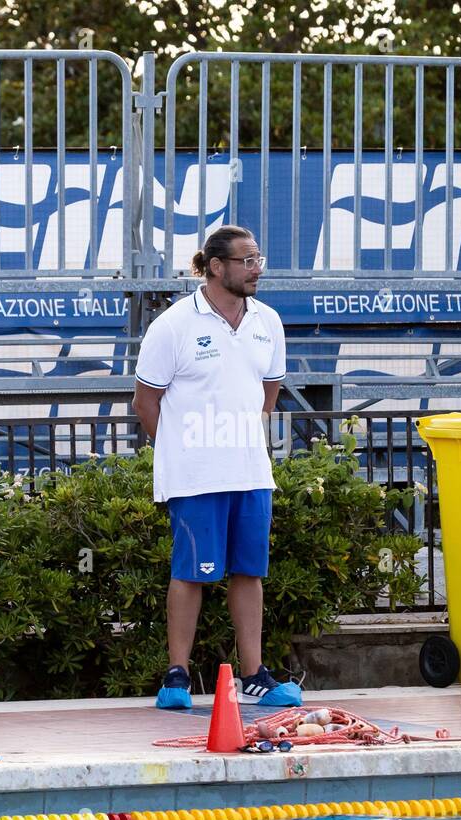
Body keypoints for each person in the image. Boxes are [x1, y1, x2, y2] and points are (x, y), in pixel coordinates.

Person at [132, 225, 302, 709]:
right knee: (191, 573)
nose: (257, 268)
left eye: (258, 258)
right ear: (215, 267)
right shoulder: (172, 325)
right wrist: (183, 450)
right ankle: (176, 678)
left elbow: (267, 395)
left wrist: (238, 440)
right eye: (247, 260)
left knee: (249, 572)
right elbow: (146, 402)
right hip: (195, 475)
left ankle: (255, 677)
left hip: (250, 472)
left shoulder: (268, 321)